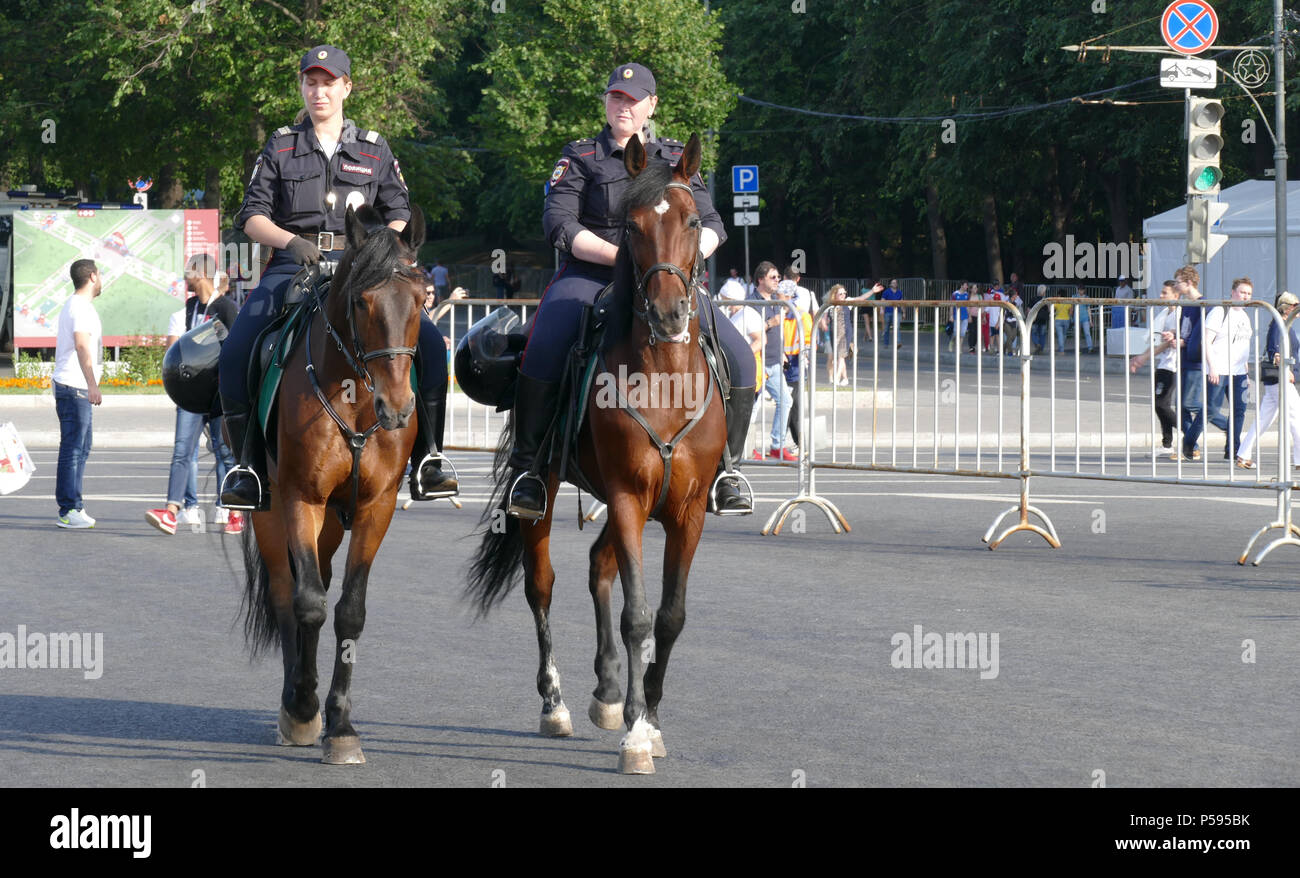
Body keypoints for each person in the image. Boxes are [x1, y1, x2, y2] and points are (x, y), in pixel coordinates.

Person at [507, 62, 758, 517]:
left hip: (666, 280)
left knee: (740, 356)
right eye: (615, 97)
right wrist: (618, 256)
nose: (623, 106)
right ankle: (529, 470)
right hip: (592, 276)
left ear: (651, 106)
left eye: (633, 99)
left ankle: (728, 470)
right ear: (605, 102)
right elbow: (559, 223)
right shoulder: (582, 157)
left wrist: (683, 263)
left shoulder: (675, 161)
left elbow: (713, 223)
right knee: (544, 345)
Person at [216, 44, 456, 510]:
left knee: (428, 343)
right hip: (294, 263)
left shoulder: (373, 147)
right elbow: (251, 215)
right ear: (302, 87)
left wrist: (379, 251)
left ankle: (429, 457)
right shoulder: (281, 145)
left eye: (328, 82)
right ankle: (247, 467)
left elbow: (400, 211)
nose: (318, 91)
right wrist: (289, 242)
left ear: (347, 87)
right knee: (238, 349)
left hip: (364, 267)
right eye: (311, 82)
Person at [146, 254, 242, 535]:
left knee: (225, 454)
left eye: (188, 271)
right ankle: (171, 512)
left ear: (200, 273)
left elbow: (235, 349)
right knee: (181, 452)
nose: (184, 276)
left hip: (217, 396)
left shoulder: (226, 307)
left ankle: (235, 512)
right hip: (190, 395)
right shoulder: (191, 307)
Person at [52, 259, 103, 529]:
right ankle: (69, 508)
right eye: (100, 274)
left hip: (75, 386)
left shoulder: (77, 305)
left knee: (80, 448)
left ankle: (74, 506)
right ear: (92, 277)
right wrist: (92, 384)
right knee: (73, 449)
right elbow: (82, 346)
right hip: (75, 387)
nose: (102, 279)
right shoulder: (79, 307)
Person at [1237, 291, 1300, 470]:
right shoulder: (1278, 325)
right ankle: (1299, 460)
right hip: (1281, 379)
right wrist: (1287, 370)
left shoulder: (1284, 325)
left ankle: (1243, 454)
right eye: (1295, 305)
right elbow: (1274, 352)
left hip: (1277, 381)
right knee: (1296, 418)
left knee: (1263, 420)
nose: (1298, 308)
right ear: (1287, 308)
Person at [1129, 280, 1181, 458]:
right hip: (1163, 364)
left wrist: (1143, 357)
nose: (1161, 295)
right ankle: (1167, 445)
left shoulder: (1178, 314)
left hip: (1173, 366)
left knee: (1161, 404)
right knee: (1160, 406)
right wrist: (1141, 356)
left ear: (1176, 295)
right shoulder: (1166, 313)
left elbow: (1166, 344)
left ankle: (1190, 432)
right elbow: (1157, 341)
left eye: (1165, 292)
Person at [1204, 277, 1254, 460]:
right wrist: (1212, 367)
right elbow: (1207, 341)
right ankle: (1189, 442)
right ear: (1233, 292)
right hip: (1220, 370)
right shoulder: (1220, 311)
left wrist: (1247, 373)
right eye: (1242, 292)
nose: (1245, 297)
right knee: (1210, 410)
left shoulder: (1246, 317)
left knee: (1239, 410)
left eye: (1248, 294)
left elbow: (1243, 347)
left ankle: (1233, 449)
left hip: (1239, 372)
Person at [1174, 265, 1207, 461]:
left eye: (1178, 281)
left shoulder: (1203, 304)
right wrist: (1174, 336)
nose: (1176, 285)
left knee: (1189, 403)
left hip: (1196, 362)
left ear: (1188, 282)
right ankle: (1192, 446)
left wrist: (1184, 341)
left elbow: (1201, 334)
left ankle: (1219, 420)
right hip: (1184, 359)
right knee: (1181, 407)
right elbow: (1183, 330)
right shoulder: (1186, 305)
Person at [882, 278, 903, 349]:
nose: (895, 284)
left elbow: (902, 302)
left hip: (897, 312)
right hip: (888, 312)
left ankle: (898, 342)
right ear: (890, 284)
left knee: (897, 327)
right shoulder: (886, 292)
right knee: (886, 328)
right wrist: (882, 309)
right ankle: (886, 344)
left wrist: (904, 312)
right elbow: (882, 301)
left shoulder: (899, 292)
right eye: (893, 283)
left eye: (896, 282)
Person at [949, 282, 970, 353]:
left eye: (967, 286)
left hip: (965, 316)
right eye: (965, 285)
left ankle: (959, 348)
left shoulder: (967, 295)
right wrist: (951, 316)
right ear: (961, 285)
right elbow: (951, 305)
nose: (967, 287)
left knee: (962, 333)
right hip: (956, 316)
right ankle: (952, 342)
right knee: (955, 332)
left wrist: (969, 316)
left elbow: (968, 306)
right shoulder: (955, 294)